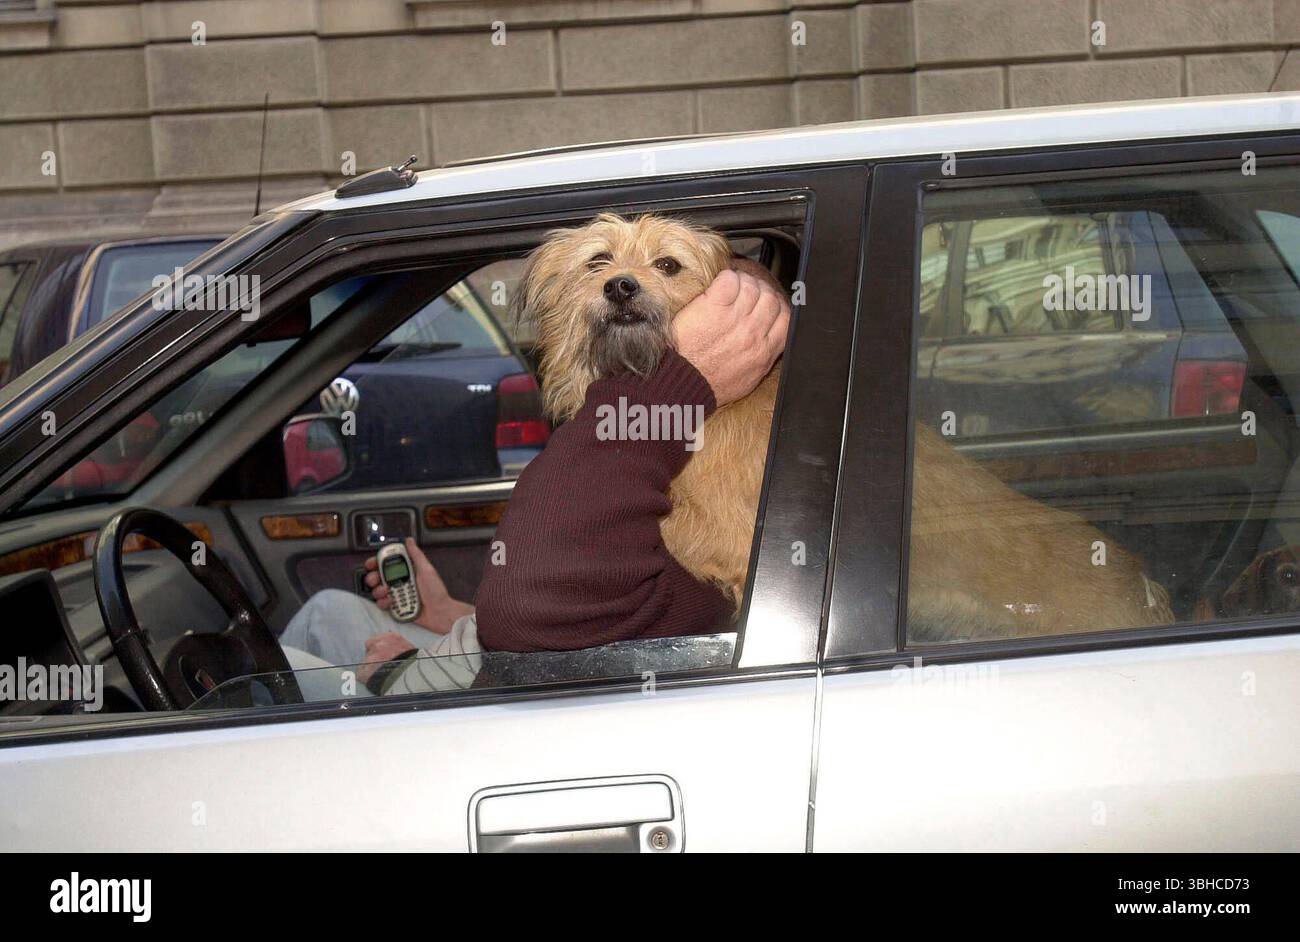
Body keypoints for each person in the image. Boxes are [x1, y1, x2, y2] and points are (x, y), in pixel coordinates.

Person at [279, 265, 790, 693]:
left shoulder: (715, 490)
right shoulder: (657, 447)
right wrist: (448, 611)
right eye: (596, 264)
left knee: (257, 688)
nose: (622, 281)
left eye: (669, 268)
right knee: (326, 613)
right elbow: (589, 602)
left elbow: (535, 609)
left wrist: (395, 672)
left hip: (471, 689)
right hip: (473, 636)